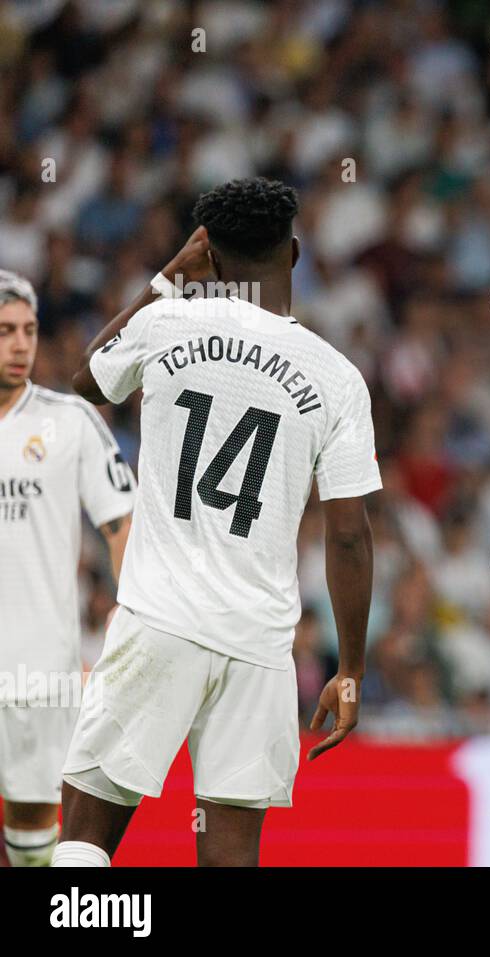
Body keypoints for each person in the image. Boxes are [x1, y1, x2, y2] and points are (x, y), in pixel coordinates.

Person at [51, 178, 382, 866]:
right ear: (292, 254)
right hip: (259, 643)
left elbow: (85, 384)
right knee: (230, 854)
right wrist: (349, 667)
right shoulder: (337, 376)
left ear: (212, 257)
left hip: (158, 620)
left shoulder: (167, 320)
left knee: (86, 834)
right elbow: (348, 533)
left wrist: (172, 275)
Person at [0, 270, 134, 866]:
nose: (21, 344)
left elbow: (121, 525)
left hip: (39, 667)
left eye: (28, 330)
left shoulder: (69, 423)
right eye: (5, 332)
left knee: (32, 818)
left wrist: (129, 625)